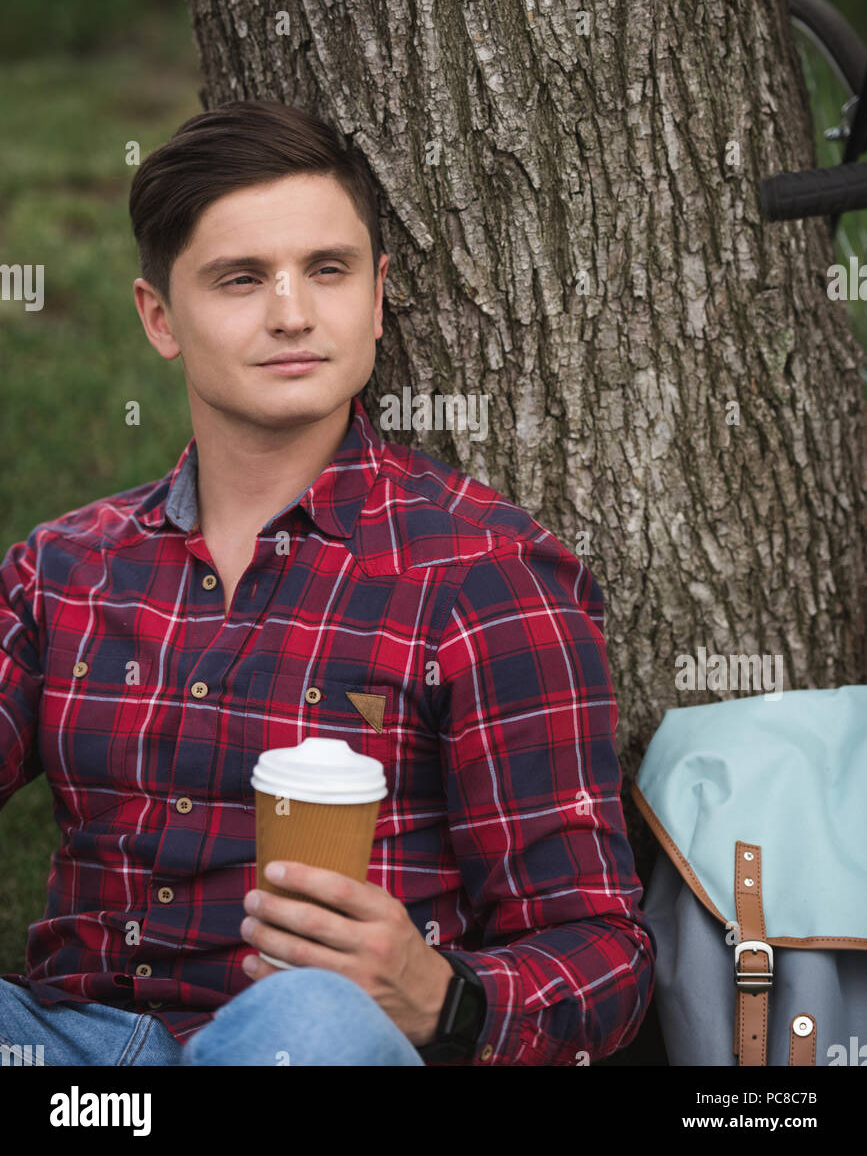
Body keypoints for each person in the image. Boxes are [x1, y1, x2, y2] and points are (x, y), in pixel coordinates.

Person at [0, 100, 656, 1067]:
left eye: (327, 270)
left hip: (317, 1045)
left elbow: (602, 950)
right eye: (240, 279)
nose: (291, 314)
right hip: (75, 1053)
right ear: (159, 318)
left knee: (309, 1018)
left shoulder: (481, 573)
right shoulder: (65, 569)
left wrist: (442, 996)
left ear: (377, 297)